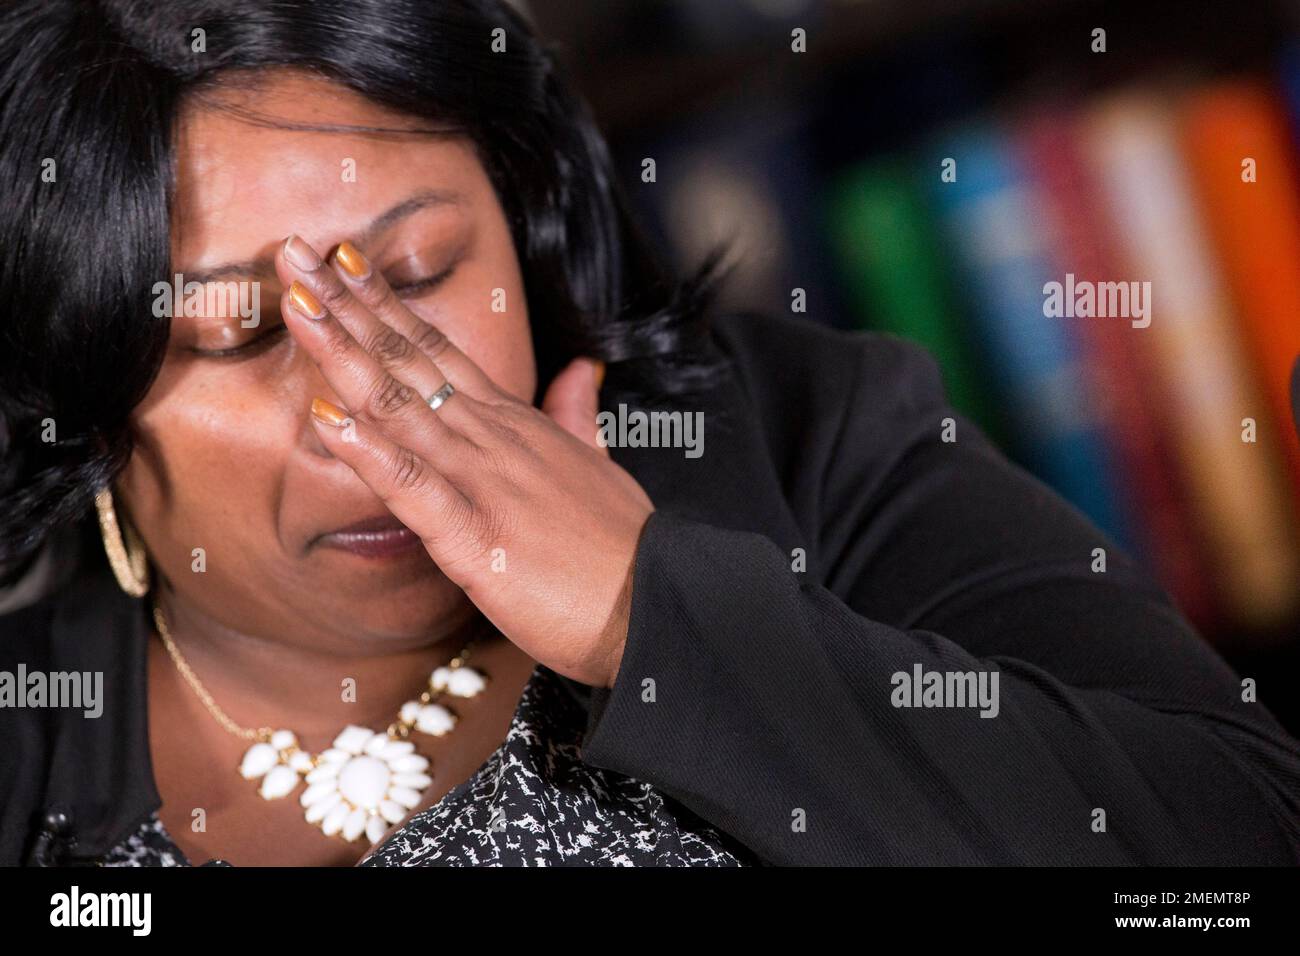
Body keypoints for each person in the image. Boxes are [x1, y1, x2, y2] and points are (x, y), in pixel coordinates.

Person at [1, 0, 1297, 867]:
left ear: (528, 227)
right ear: (85, 374)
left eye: (411, 278)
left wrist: (647, 612)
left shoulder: (803, 438)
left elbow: (1243, 836)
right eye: (238, 336)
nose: (366, 411)